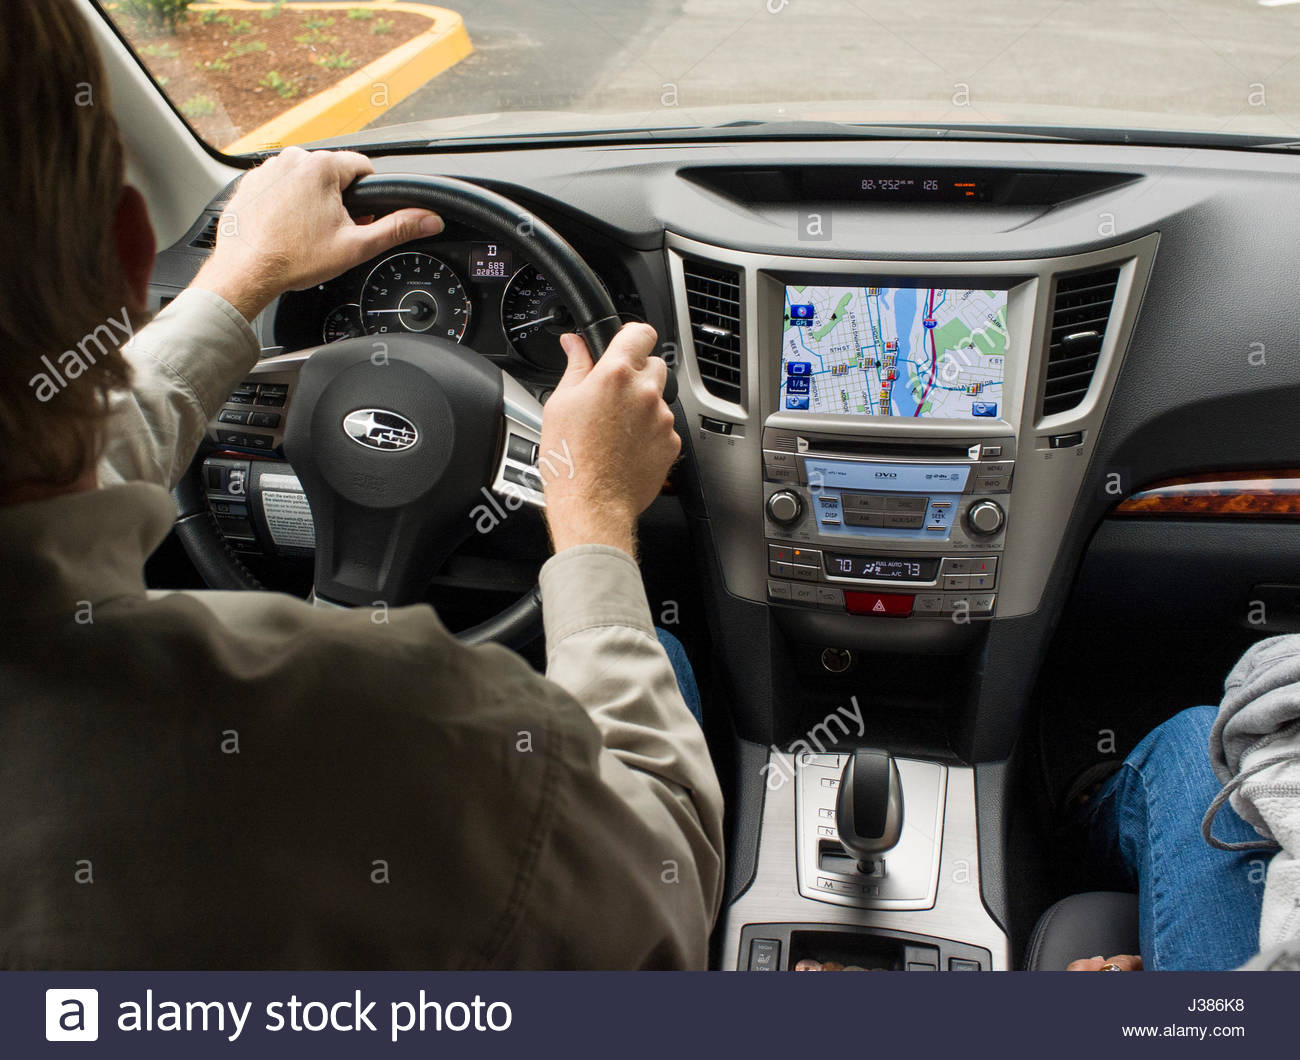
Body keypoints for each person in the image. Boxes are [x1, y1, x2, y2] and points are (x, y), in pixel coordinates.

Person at [0, 0, 723, 969]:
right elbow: (662, 881)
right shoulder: (392, 723)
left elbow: (65, 474)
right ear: (135, 256)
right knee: (659, 658)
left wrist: (239, 282)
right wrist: (590, 511)